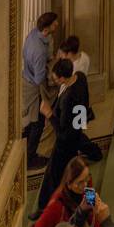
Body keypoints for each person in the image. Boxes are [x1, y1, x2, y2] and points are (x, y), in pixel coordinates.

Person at [34, 58, 102, 214]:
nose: (54, 80)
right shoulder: (80, 77)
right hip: (78, 128)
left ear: (62, 78)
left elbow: (63, 133)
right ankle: (91, 202)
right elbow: (84, 103)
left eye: (55, 78)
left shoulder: (67, 100)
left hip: (65, 144)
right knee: (82, 175)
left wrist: (49, 114)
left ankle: (43, 207)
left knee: (52, 174)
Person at [25, 157, 104, 227]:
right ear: (69, 184)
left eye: (87, 178)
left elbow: (91, 210)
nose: (85, 185)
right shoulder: (55, 208)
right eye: (80, 182)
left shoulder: (87, 187)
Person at [22, 11, 59, 169]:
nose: (57, 25)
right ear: (47, 27)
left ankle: (26, 153)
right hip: (33, 88)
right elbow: (39, 79)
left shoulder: (34, 34)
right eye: (55, 23)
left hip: (27, 80)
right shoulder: (38, 51)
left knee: (32, 123)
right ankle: (29, 158)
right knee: (36, 124)